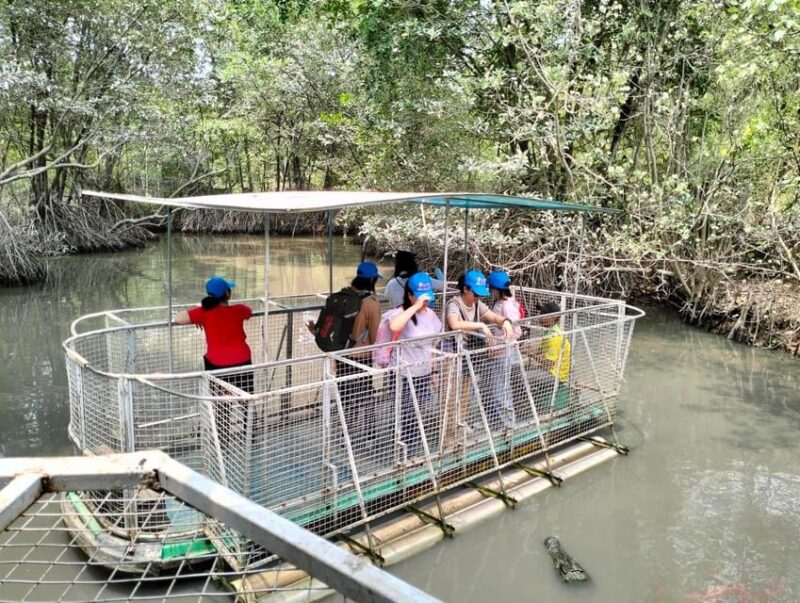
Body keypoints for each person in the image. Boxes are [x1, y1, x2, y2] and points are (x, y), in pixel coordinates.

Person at [307, 262, 383, 446]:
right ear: (372, 280)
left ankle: (345, 435)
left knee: (346, 393)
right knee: (366, 393)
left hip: (341, 354)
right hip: (362, 356)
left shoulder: (342, 297)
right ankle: (370, 435)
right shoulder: (371, 304)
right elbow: (374, 337)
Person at [443, 270, 515, 444]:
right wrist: (481, 325)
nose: (477, 297)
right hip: (453, 355)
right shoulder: (454, 303)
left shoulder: (477, 304)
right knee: (451, 398)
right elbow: (454, 323)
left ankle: (459, 430)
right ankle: (448, 439)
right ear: (466, 289)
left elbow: (493, 316)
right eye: (475, 293)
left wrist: (505, 322)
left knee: (465, 395)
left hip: (469, 356)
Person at [384, 272, 442, 457]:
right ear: (410, 295)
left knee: (417, 414)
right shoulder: (401, 312)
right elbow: (394, 326)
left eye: (427, 298)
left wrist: (434, 371)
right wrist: (414, 306)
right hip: (403, 374)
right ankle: (407, 456)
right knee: (408, 415)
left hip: (423, 373)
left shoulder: (431, 314)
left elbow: (433, 344)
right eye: (420, 296)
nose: (425, 302)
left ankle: (410, 453)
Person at [174, 276, 254, 393]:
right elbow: (249, 312)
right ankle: (248, 410)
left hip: (217, 364)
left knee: (221, 405)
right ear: (228, 293)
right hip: (242, 360)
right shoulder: (239, 310)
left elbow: (178, 318)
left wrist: (199, 313)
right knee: (247, 400)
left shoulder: (203, 313)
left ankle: (222, 409)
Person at [486, 271, 524, 429]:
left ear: (496, 288)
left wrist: (498, 345)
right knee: (497, 389)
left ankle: (508, 426)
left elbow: (516, 332)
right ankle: (502, 424)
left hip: (504, 354)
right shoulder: (501, 302)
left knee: (500, 390)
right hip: (498, 353)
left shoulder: (507, 305)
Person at [527, 301, 572, 413]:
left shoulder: (553, 336)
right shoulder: (550, 332)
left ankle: (527, 409)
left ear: (553, 318)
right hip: (550, 370)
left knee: (521, 378)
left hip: (555, 374)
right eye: (541, 312)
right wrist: (528, 350)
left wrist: (530, 354)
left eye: (544, 313)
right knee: (519, 369)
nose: (540, 316)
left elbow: (548, 363)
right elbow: (541, 354)